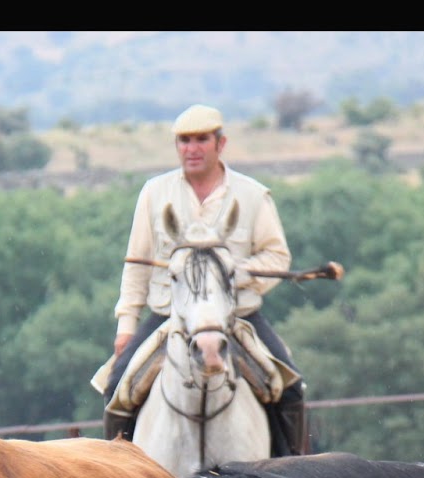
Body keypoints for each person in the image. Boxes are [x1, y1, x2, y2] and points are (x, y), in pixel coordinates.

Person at [100, 103, 309, 457]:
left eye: (201, 140)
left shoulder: (253, 195)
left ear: (220, 143)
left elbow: (277, 257)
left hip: (239, 314)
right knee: (117, 385)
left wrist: (228, 276)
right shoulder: (154, 193)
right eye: (184, 141)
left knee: (290, 388)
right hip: (168, 314)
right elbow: (137, 263)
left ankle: (292, 474)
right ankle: (119, 475)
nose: (191, 149)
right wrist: (126, 324)